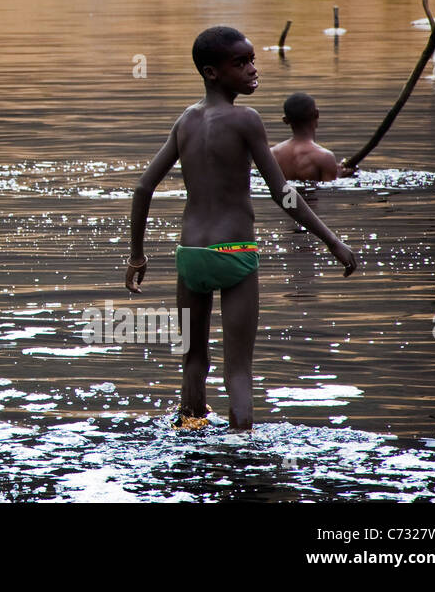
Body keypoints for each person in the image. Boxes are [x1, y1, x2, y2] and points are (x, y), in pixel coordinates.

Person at [125, 26, 358, 430]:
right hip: (234, 254)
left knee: (193, 360)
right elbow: (281, 193)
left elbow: (144, 186)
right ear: (212, 73)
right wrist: (332, 240)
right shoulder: (246, 120)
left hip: (191, 257)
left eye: (253, 59)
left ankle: (191, 430)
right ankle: (241, 446)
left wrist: (137, 255)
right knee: (239, 370)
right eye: (241, 62)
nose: (253, 69)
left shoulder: (185, 121)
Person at [271, 92, 354, 182]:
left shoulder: (272, 154)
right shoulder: (324, 157)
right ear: (317, 114)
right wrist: (337, 177)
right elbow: (329, 188)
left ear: (285, 120)